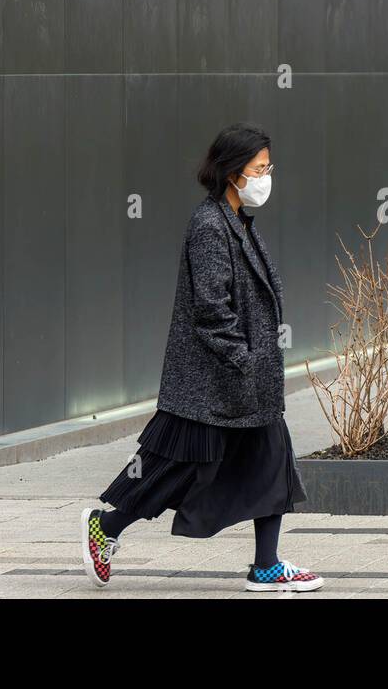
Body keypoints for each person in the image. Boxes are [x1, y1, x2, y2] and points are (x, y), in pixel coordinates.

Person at [81, 123, 322, 593]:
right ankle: (105, 528)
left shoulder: (240, 223)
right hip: (213, 382)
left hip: (244, 381)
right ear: (233, 173)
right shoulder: (209, 226)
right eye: (259, 168)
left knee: (271, 459)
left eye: (269, 167)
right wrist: (245, 361)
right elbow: (211, 310)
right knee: (176, 468)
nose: (266, 176)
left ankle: (267, 565)